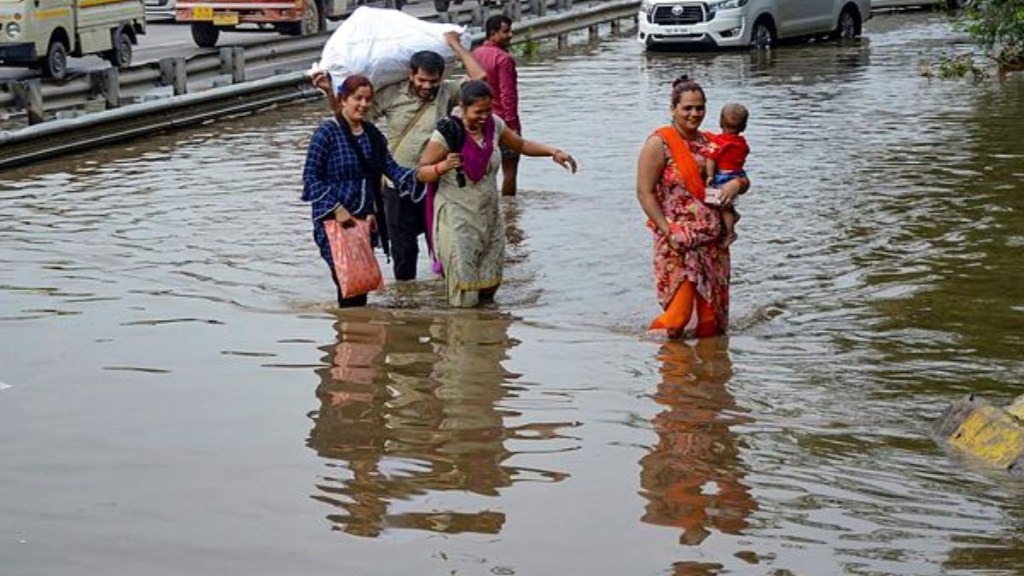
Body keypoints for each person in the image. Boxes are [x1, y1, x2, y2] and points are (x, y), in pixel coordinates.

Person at [315, 33, 487, 282]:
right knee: (403, 255)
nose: (427, 86)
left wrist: (454, 43)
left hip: (436, 185)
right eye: (422, 80)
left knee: (444, 248)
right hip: (398, 186)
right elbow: (350, 116)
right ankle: (406, 309)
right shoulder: (392, 95)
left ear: (441, 78)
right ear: (410, 74)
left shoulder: (447, 93)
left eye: (433, 81)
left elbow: (479, 79)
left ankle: (448, 303)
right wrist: (331, 93)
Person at [418, 80, 577, 308]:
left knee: (489, 282)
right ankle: (462, 335)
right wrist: (441, 167)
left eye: (488, 110)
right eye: (478, 112)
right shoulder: (447, 133)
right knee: (464, 287)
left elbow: (520, 144)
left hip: (488, 214)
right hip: (456, 216)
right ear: (462, 107)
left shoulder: (495, 126)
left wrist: (553, 152)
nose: (484, 117)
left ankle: (488, 334)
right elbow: (422, 172)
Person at [636, 75, 750, 339]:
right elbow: (644, 192)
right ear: (673, 109)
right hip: (678, 242)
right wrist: (668, 230)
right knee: (677, 321)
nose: (694, 113)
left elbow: (739, 176)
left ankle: (705, 377)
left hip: (712, 242)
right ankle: (647, 357)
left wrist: (736, 185)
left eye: (699, 108)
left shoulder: (713, 143)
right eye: (687, 107)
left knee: (710, 327)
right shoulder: (659, 143)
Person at [302, 75, 428, 308]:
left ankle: (354, 335)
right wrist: (336, 208)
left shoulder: (372, 135)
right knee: (348, 285)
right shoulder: (326, 134)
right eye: (357, 98)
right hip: (334, 223)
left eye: (368, 99)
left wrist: (422, 176)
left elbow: (391, 168)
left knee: (360, 285)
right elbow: (310, 180)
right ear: (343, 100)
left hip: (363, 223)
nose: (363, 104)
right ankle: (350, 335)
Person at [472, 14, 521, 197]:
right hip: (502, 120)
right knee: (510, 170)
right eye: (506, 31)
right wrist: (513, 126)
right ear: (493, 33)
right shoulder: (503, 58)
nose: (510, 35)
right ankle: (510, 213)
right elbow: (508, 95)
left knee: (482, 169)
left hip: (478, 120)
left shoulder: (475, 54)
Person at [704, 103, 750, 248]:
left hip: (723, 177)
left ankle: (730, 232)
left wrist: (710, 175)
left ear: (720, 122)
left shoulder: (717, 141)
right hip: (737, 173)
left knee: (721, 204)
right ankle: (732, 216)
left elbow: (711, 159)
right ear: (743, 127)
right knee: (725, 205)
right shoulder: (742, 143)